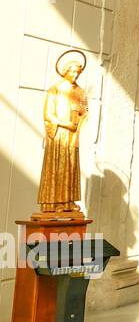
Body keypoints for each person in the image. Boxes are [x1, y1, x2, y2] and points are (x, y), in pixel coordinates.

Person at [35, 50, 89, 220]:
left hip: (72, 135)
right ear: (65, 71)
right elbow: (48, 114)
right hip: (58, 134)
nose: (75, 75)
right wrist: (65, 123)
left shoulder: (80, 91)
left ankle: (67, 202)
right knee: (57, 167)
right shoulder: (55, 90)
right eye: (72, 71)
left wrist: (79, 117)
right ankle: (52, 202)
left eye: (78, 73)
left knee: (70, 166)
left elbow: (85, 111)